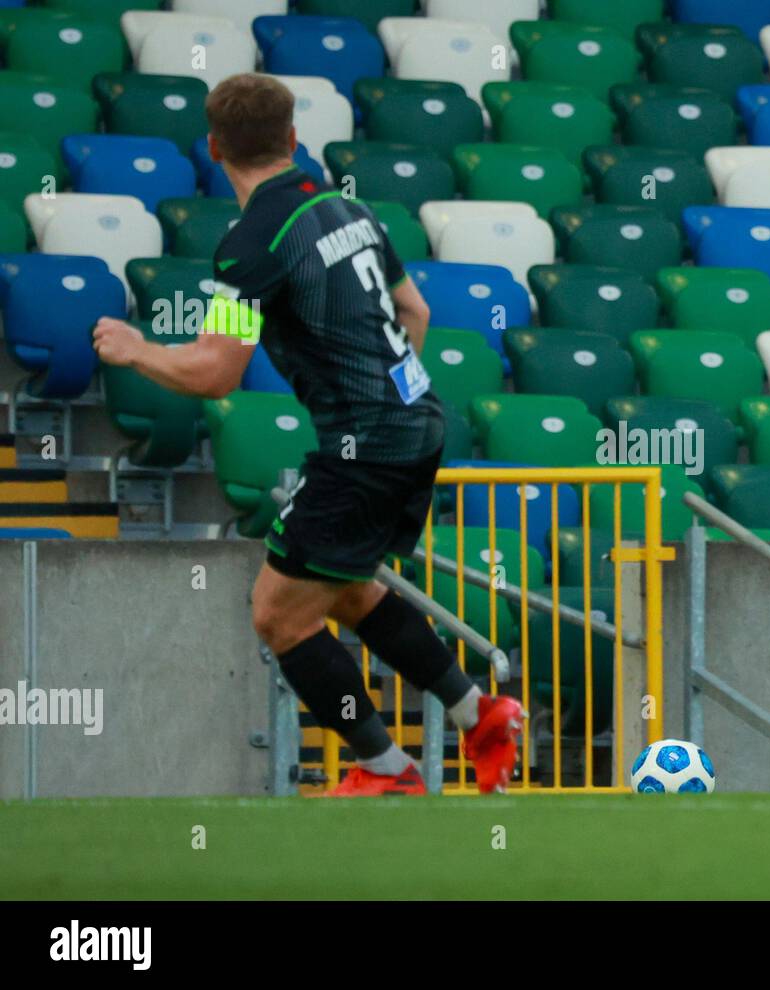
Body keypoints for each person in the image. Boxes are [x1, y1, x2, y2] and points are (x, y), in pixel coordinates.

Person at [92, 73, 523, 797]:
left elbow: (216, 372)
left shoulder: (251, 243)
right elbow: (412, 310)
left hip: (367, 440)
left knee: (277, 617)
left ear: (212, 147)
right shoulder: (346, 207)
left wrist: (136, 350)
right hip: (418, 422)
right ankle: (478, 713)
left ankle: (387, 769)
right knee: (347, 589)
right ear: (293, 139)